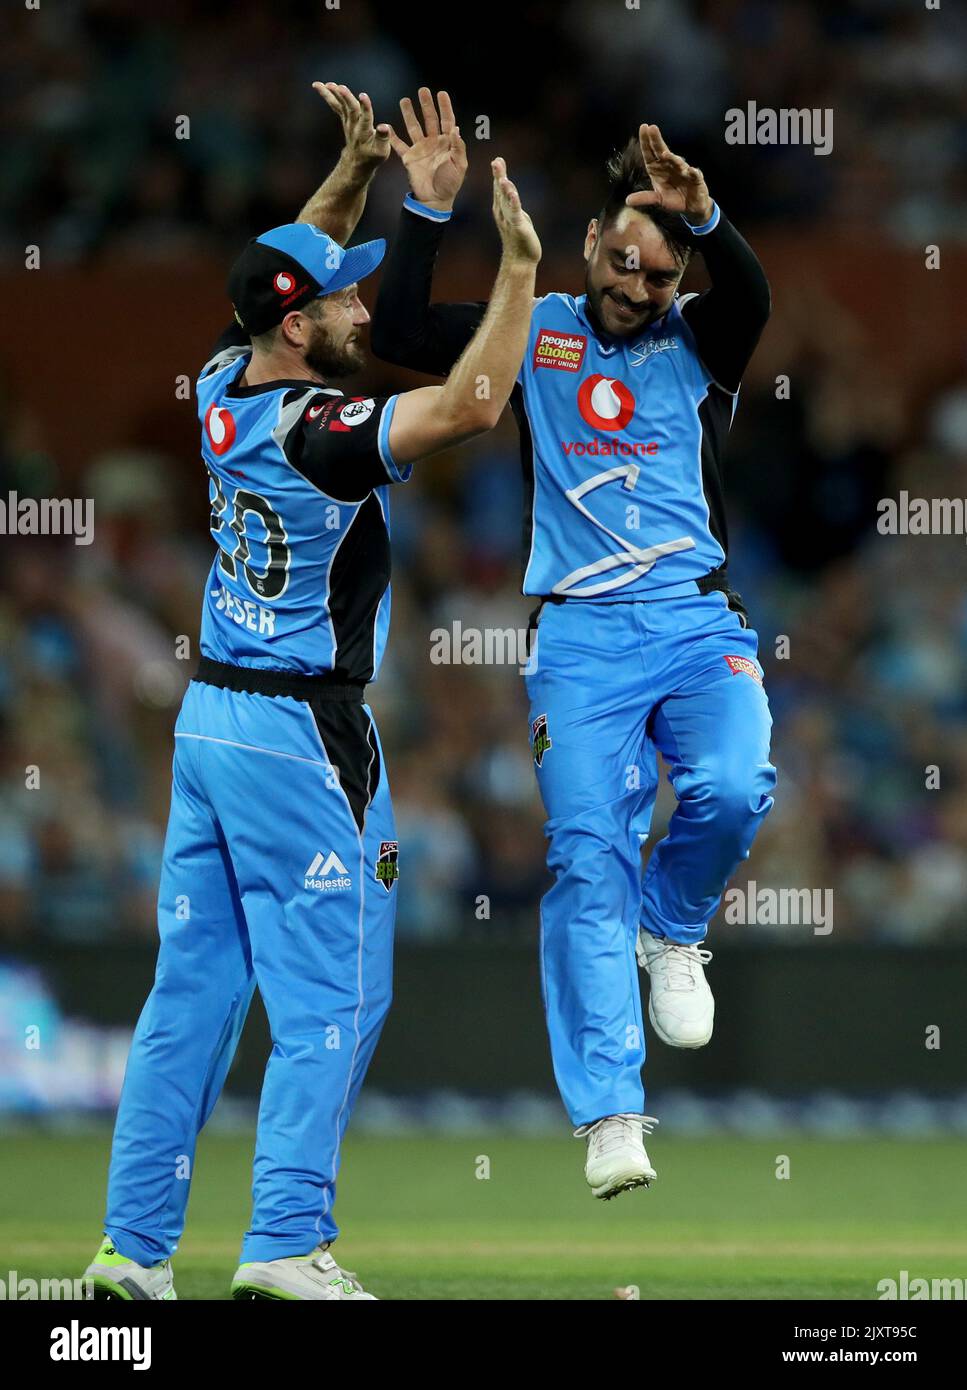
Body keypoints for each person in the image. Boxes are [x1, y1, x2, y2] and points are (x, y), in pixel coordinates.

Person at [84, 84, 541, 1300]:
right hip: (302, 735)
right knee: (335, 991)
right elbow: (476, 402)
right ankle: (286, 1242)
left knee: (189, 999)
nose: (358, 308)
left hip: (210, 726)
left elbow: (277, 273)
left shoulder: (221, 384)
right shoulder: (323, 432)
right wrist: (514, 281)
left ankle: (131, 1254)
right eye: (341, 298)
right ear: (298, 331)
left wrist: (351, 176)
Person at [372, 93, 776, 1200]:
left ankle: (676, 928)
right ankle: (608, 1111)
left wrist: (711, 218)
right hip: (583, 640)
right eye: (624, 261)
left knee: (737, 788)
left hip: (698, 621)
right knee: (585, 851)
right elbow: (401, 334)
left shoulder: (702, 342)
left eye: (660, 274)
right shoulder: (534, 329)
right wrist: (425, 210)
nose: (638, 289)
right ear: (591, 240)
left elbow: (752, 292)